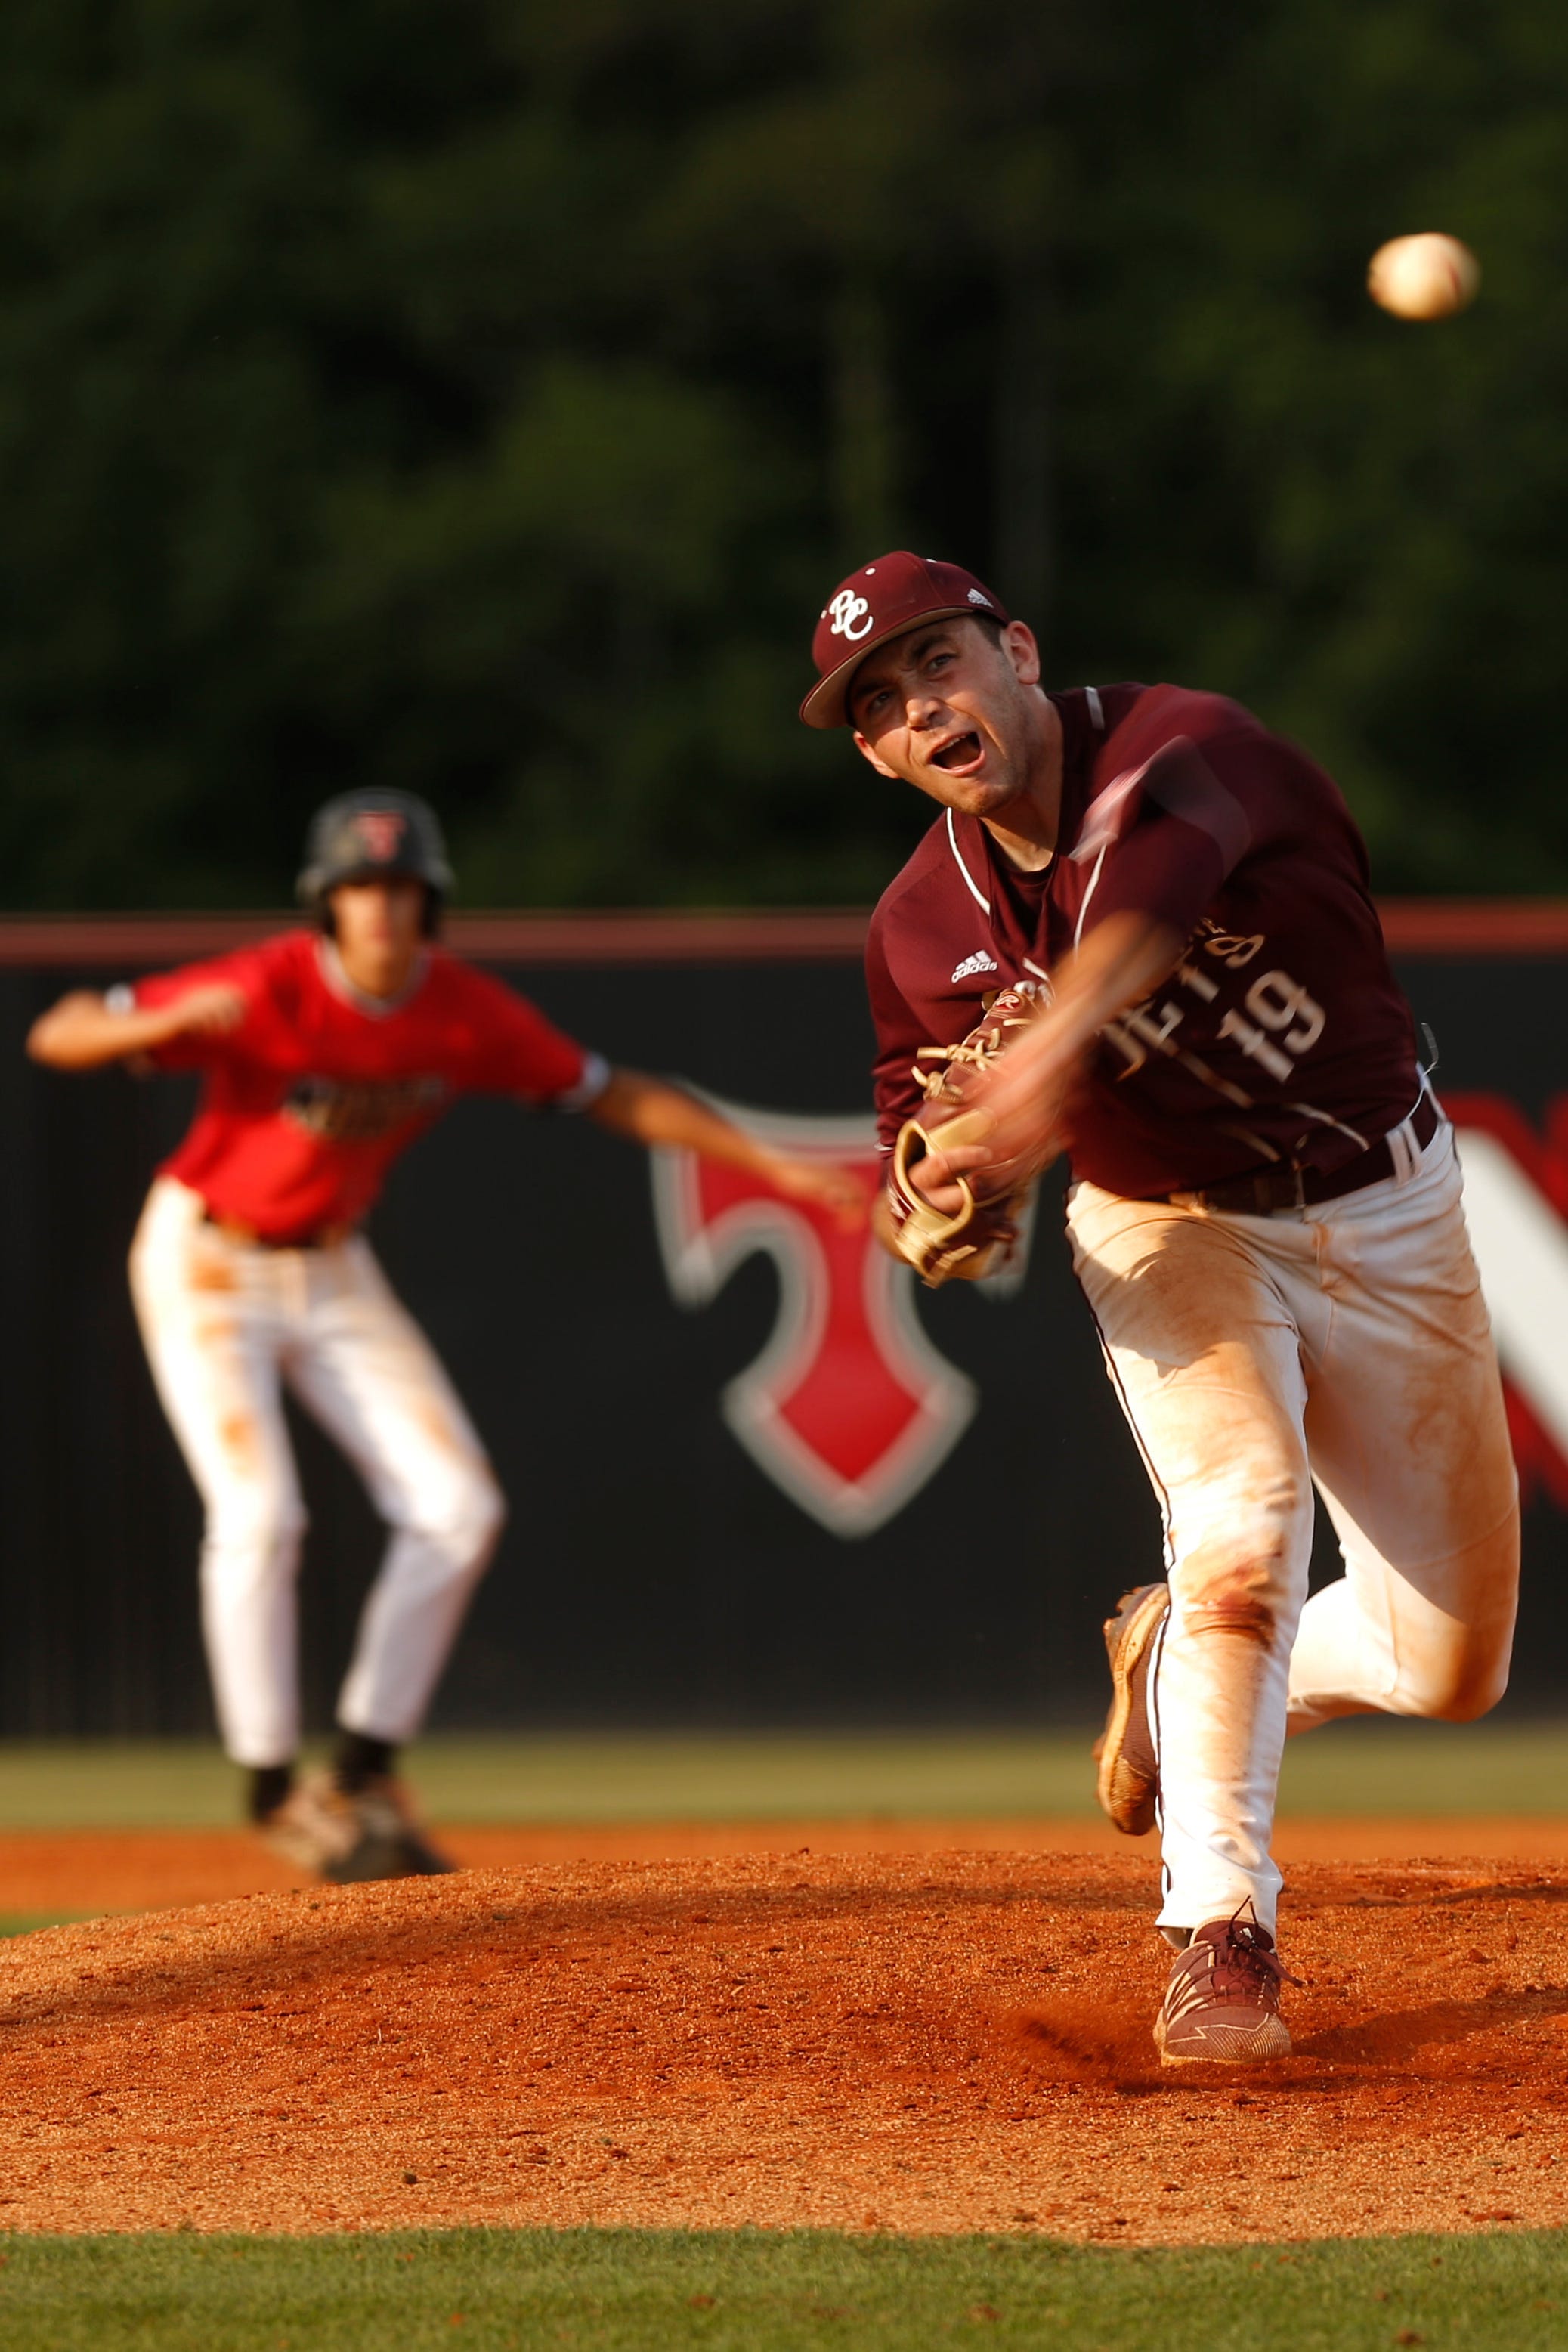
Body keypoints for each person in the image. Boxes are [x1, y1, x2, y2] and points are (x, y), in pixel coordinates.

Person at [801, 551, 1520, 2063]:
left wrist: (1017, 1085)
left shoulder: (1186, 753)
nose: (919, 707)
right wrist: (936, 1202)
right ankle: (1220, 1935)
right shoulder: (917, 932)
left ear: (1017, 650)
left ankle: (1162, 1646)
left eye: (937, 661)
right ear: (871, 755)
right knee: (1245, 1531)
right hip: (1170, 1226)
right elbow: (912, 1170)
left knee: (1452, 1666)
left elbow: (1128, 936)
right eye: (878, 705)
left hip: (1387, 1201)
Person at [28, 790, 862, 1884]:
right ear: (326, 904)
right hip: (204, 1259)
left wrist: (779, 1166)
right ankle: (275, 1787)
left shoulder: (463, 1014)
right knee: (261, 1514)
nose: (381, 908)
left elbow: (613, 1094)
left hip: (331, 1266)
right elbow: (61, 1030)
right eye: (360, 888)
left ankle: (364, 1767)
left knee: (459, 1510)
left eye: (403, 888)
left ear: (433, 905)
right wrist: (145, 1026)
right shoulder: (267, 982)